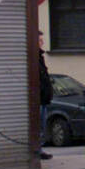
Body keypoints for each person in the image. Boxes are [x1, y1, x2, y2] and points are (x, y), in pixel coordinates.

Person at [37, 31, 53, 161]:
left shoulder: (40, 57)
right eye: (40, 40)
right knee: (39, 125)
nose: (42, 43)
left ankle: (40, 148)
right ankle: (38, 149)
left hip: (44, 99)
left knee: (42, 125)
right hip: (39, 99)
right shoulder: (35, 57)